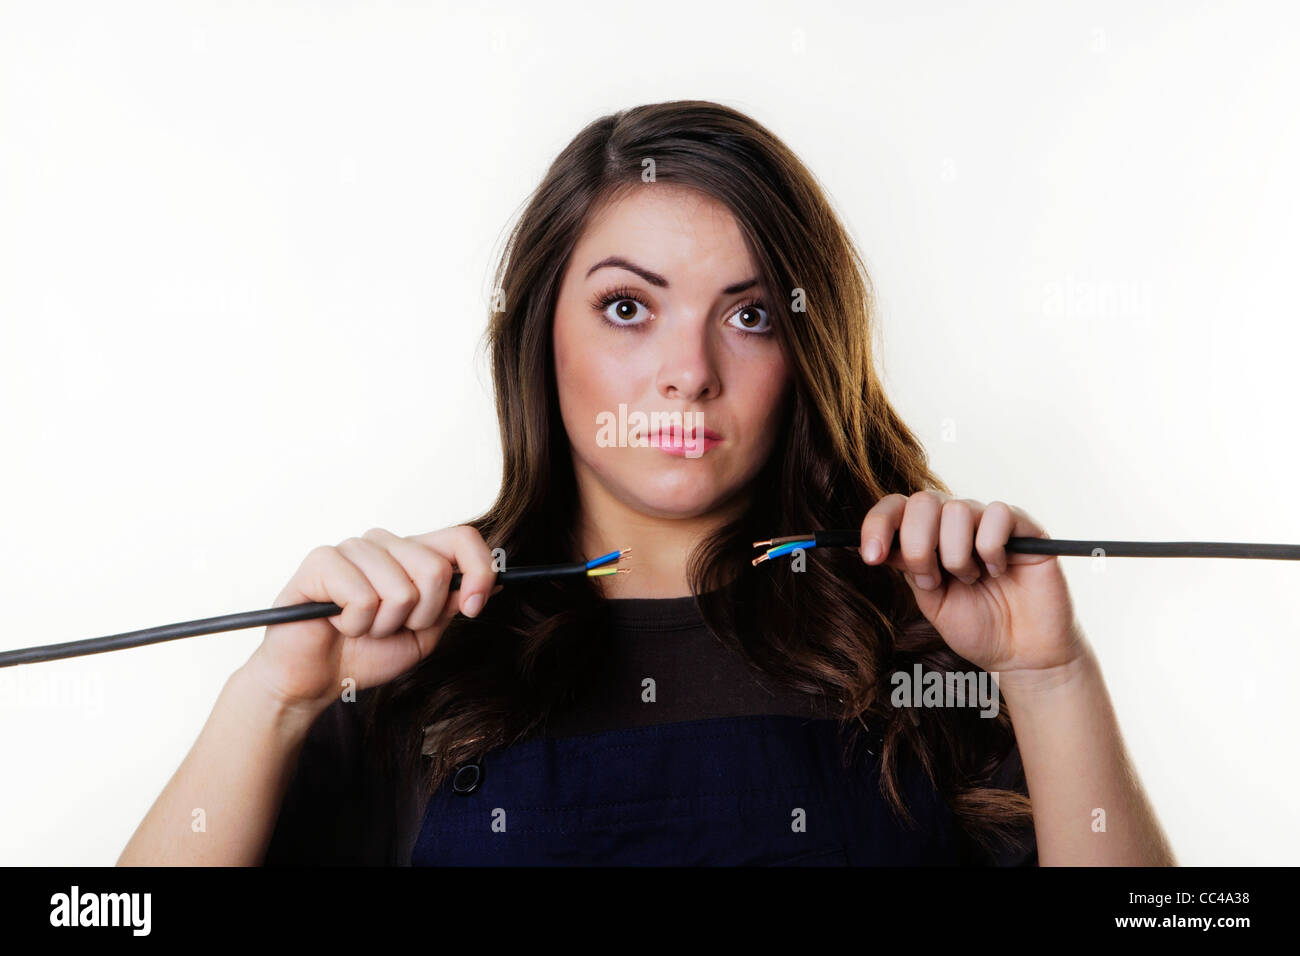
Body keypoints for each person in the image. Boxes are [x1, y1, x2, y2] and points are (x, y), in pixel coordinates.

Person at [117, 100, 1176, 866]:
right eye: (629, 306)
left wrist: (1049, 677)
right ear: (541, 335)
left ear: (805, 354)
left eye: (749, 313)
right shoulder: (404, 648)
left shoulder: (925, 636)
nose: (688, 368)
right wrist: (273, 693)